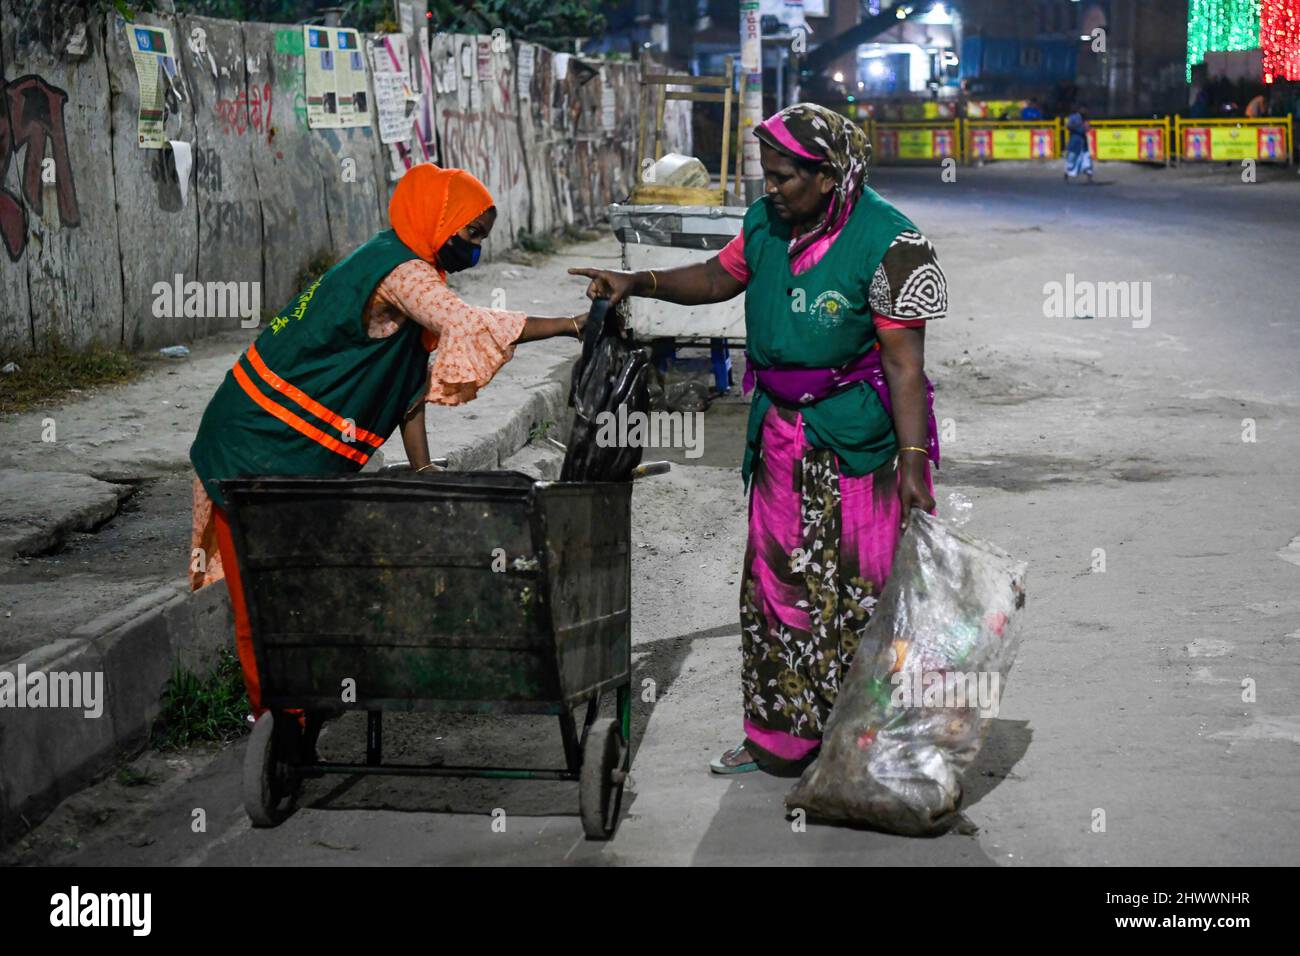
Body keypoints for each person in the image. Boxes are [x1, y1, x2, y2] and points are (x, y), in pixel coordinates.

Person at [571, 103, 946, 775]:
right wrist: (640, 282)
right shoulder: (767, 224)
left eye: (783, 178)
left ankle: (862, 745)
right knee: (776, 587)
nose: (768, 189)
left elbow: (903, 364)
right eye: (765, 176)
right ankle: (779, 740)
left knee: (862, 589)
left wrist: (914, 462)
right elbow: (720, 277)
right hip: (780, 435)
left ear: (829, 176)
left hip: (857, 439)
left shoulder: (894, 243)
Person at [188, 162, 586, 718]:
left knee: (305, 581)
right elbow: (468, 325)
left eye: (480, 239)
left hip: (287, 445)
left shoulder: (402, 259)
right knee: (264, 593)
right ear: (436, 219)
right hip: (252, 439)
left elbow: (405, 385)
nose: (472, 249)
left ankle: (308, 702)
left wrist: (423, 472)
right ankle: (279, 722)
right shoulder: (404, 275)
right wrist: (572, 325)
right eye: (469, 234)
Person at [1064, 107, 1093, 183]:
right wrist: (1077, 125)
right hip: (1075, 140)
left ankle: (1089, 176)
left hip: (1083, 142)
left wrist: (1087, 126)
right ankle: (1067, 173)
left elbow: (1088, 128)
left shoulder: (1086, 119)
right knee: (1072, 158)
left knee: (1087, 159)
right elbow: (1068, 126)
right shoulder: (1073, 117)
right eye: (1083, 109)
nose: (1084, 111)